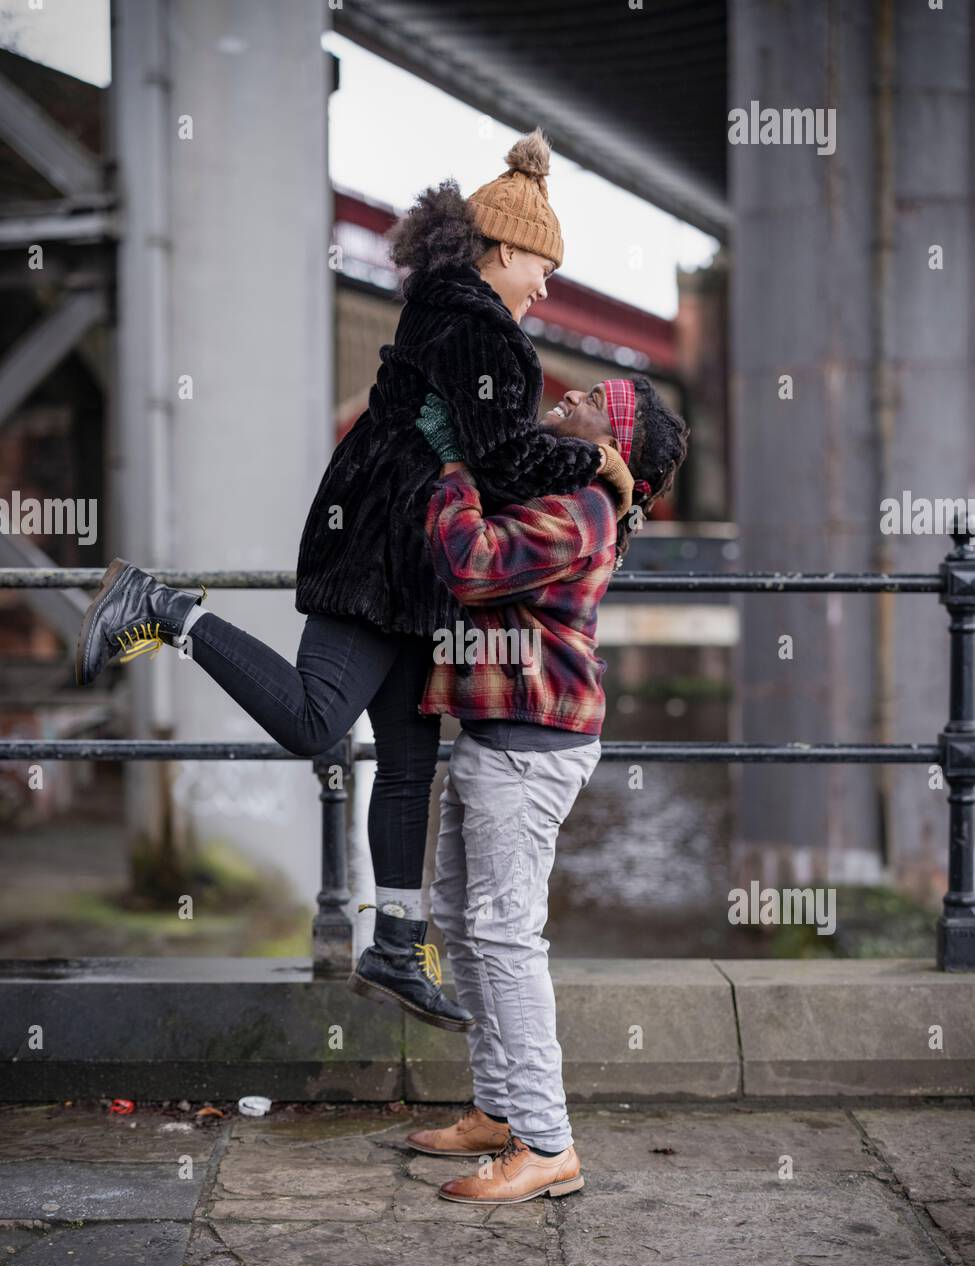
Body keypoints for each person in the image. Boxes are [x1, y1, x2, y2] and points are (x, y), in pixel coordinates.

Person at [73, 131, 606, 1032]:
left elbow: (483, 455)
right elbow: (506, 457)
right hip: (379, 553)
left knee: (406, 766)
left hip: (407, 561)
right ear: (507, 252)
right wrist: (596, 463)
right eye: (542, 268)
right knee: (316, 722)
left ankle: (395, 945)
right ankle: (161, 607)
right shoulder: (479, 327)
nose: (544, 289)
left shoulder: (447, 311)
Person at [405, 375, 689, 1204]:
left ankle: (545, 1142)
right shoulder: (562, 490)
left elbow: (469, 562)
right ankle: (497, 1109)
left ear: (614, 443)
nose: (567, 394)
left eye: (591, 401)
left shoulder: (582, 510)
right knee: (462, 916)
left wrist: (453, 460)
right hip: (499, 732)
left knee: (502, 933)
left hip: (528, 744)